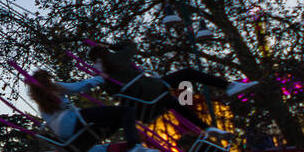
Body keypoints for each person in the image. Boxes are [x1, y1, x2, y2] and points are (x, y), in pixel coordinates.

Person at [88, 40, 251, 127]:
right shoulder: (117, 58)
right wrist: (113, 46)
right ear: (105, 52)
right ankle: (228, 86)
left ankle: (206, 128)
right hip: (154, 89)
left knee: (173, 101)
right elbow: (131, 45)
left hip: (141, 106)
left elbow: (113, 93)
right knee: (187, 74)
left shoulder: (102, 75)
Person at [27, 70, 156, 152]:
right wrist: (100, 78)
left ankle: (132, 147)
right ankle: (135, 146)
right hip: (73, 119)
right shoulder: (55, 87)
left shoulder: (41, 105)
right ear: (47, 80)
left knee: (112, 120)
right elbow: (79, 87)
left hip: (64, 133)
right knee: (126, 111)